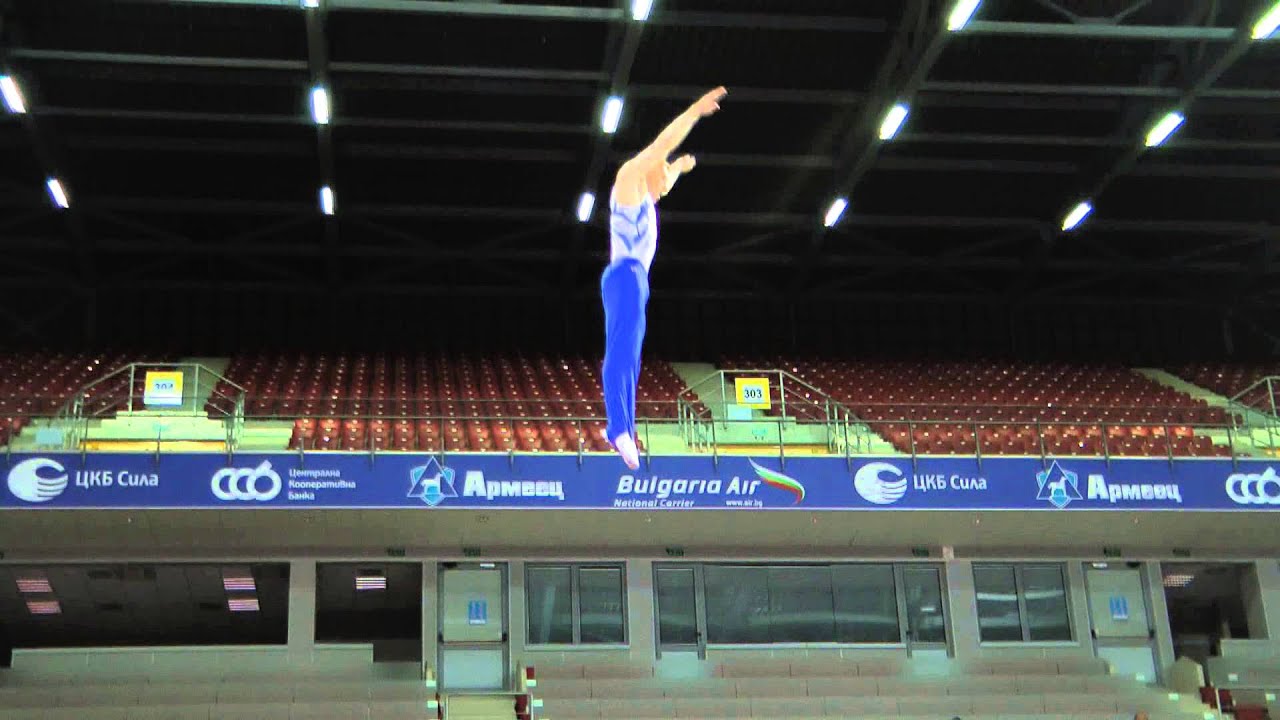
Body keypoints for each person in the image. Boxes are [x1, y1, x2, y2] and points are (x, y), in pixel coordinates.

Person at [599, 86, 727, 470]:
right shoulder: (630, 179)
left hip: (635, 280)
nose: (665, 187)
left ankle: (623, 425)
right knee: (621, 351)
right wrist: (694, 112)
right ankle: (617, 427)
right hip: (623, 275)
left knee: (633, 355)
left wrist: (682, 168)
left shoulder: (652, 188)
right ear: (650, 170)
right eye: (663, 178)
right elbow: (662, 147)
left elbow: (667, 173)